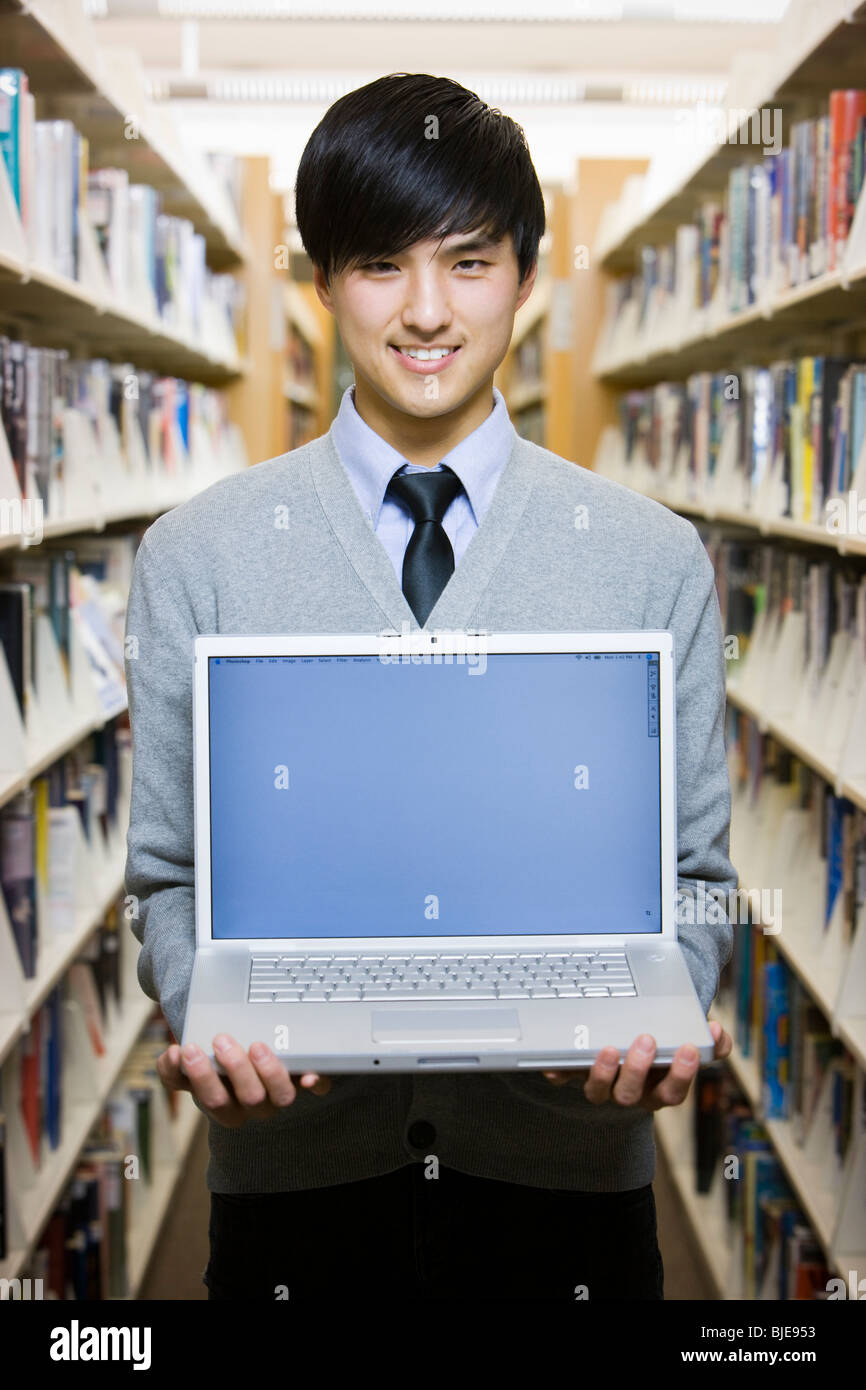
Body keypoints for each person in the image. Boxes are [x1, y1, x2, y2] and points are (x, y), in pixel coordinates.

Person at [124, 72, 735, 1303]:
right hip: (294, 1189)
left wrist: (658, 1005)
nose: (423, 312)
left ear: (525, 274)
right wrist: (219, 1014)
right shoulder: (197, 554)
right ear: (320, 282)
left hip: (565, 1192)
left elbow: (700, 880)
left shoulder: (648, 556)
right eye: (377, 265)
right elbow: (168, 879)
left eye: (465, 262)